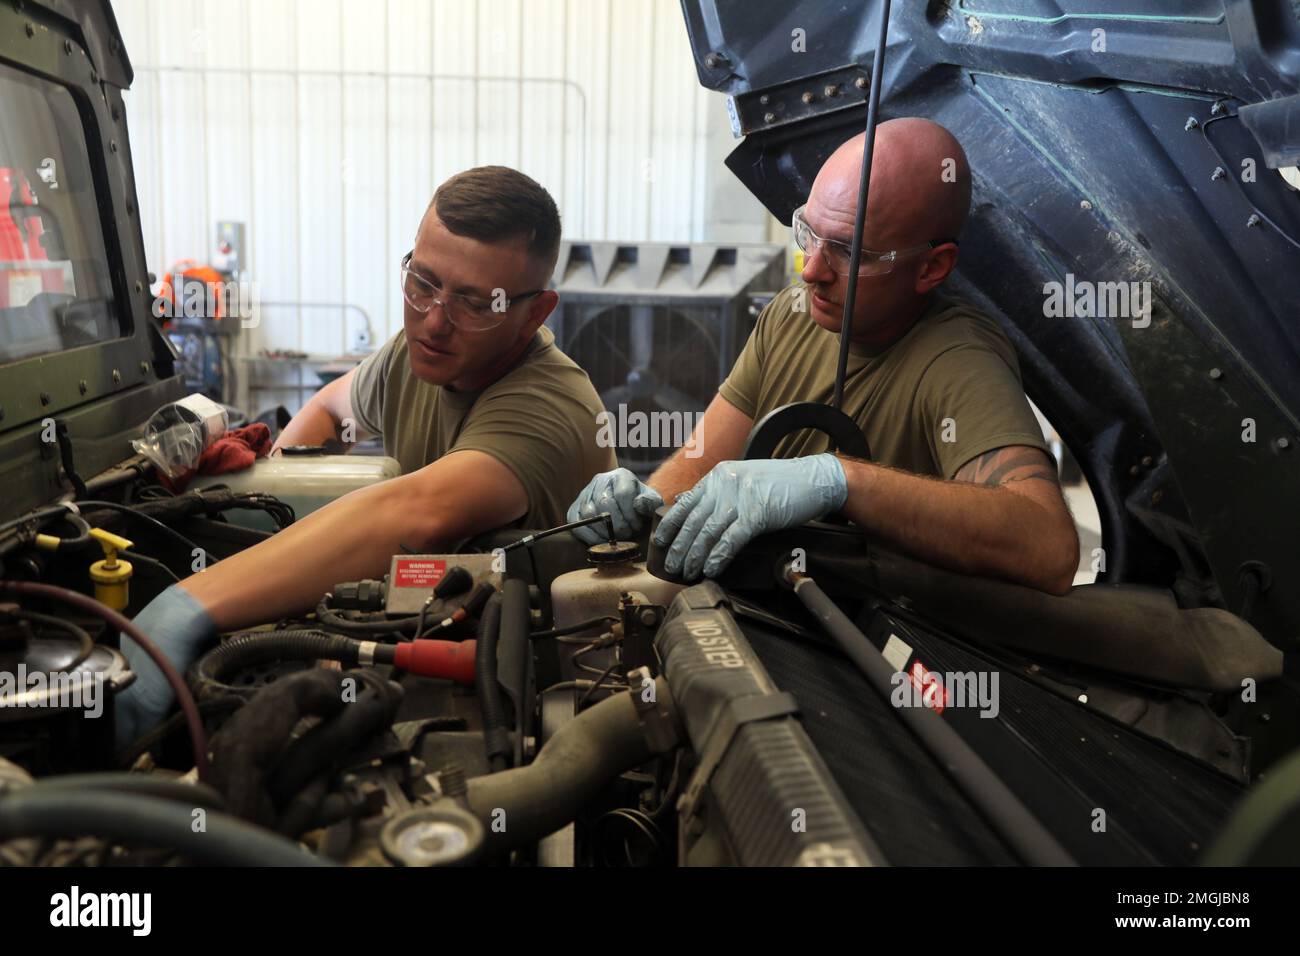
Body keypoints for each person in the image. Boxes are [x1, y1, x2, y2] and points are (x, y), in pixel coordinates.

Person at [117, 166, 615, 743]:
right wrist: (277, 496)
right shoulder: (420, 353)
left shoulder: (550, 407)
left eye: (475, 304)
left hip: (532, 708)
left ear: (534, 313)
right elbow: (332, 409)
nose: (434, 321)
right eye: (423, 282)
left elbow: (420, 512)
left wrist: (185, 606)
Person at [568, 118, 1079, 594]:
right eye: (809, 234)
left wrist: (841, 479)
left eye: (850, 252)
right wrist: (648, 503)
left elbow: (1047, 548)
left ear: (932, 268)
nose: (812, 270)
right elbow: (703, 463)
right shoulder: (790, 315)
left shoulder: (957, 358)